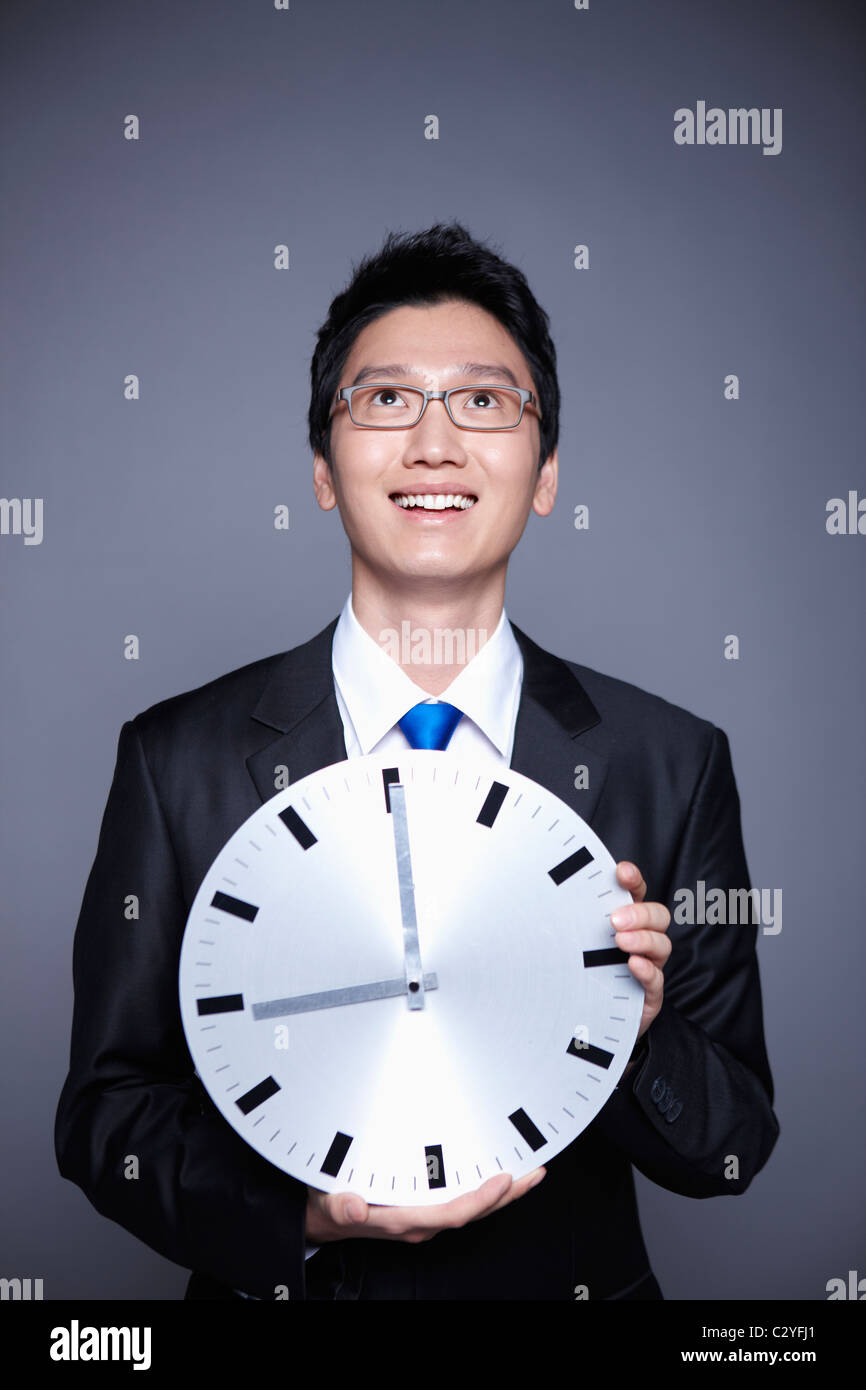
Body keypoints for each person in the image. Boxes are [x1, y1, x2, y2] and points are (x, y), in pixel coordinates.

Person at [55, 222, 779, 1301]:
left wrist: (634, 1028)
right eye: (386, 400)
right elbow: (104, 1116)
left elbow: (734, 1145)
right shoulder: (177, 759)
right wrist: (298, 1213)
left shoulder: (665, 763)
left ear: (542, 474)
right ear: (319, 468)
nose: (434, 444)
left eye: (483, 402)